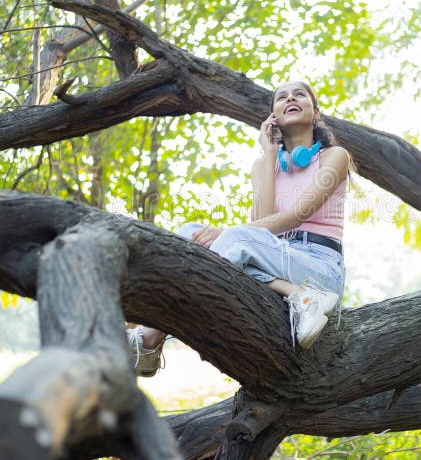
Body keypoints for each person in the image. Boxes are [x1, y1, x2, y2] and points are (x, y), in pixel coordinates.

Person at [127, 80, 350, 377]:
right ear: (273, 118)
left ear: (316, 113)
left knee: (232, 237)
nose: (290, 98)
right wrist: (270, 155)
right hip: (273, 257)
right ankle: (296, 294)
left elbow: (297, 215)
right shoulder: (263, 166)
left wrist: (225, 232)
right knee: (189, 232)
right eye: (281, 97)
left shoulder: (334, 157)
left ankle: (150, 338)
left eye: (299, 94)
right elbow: (262, 224)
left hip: (319, 266)